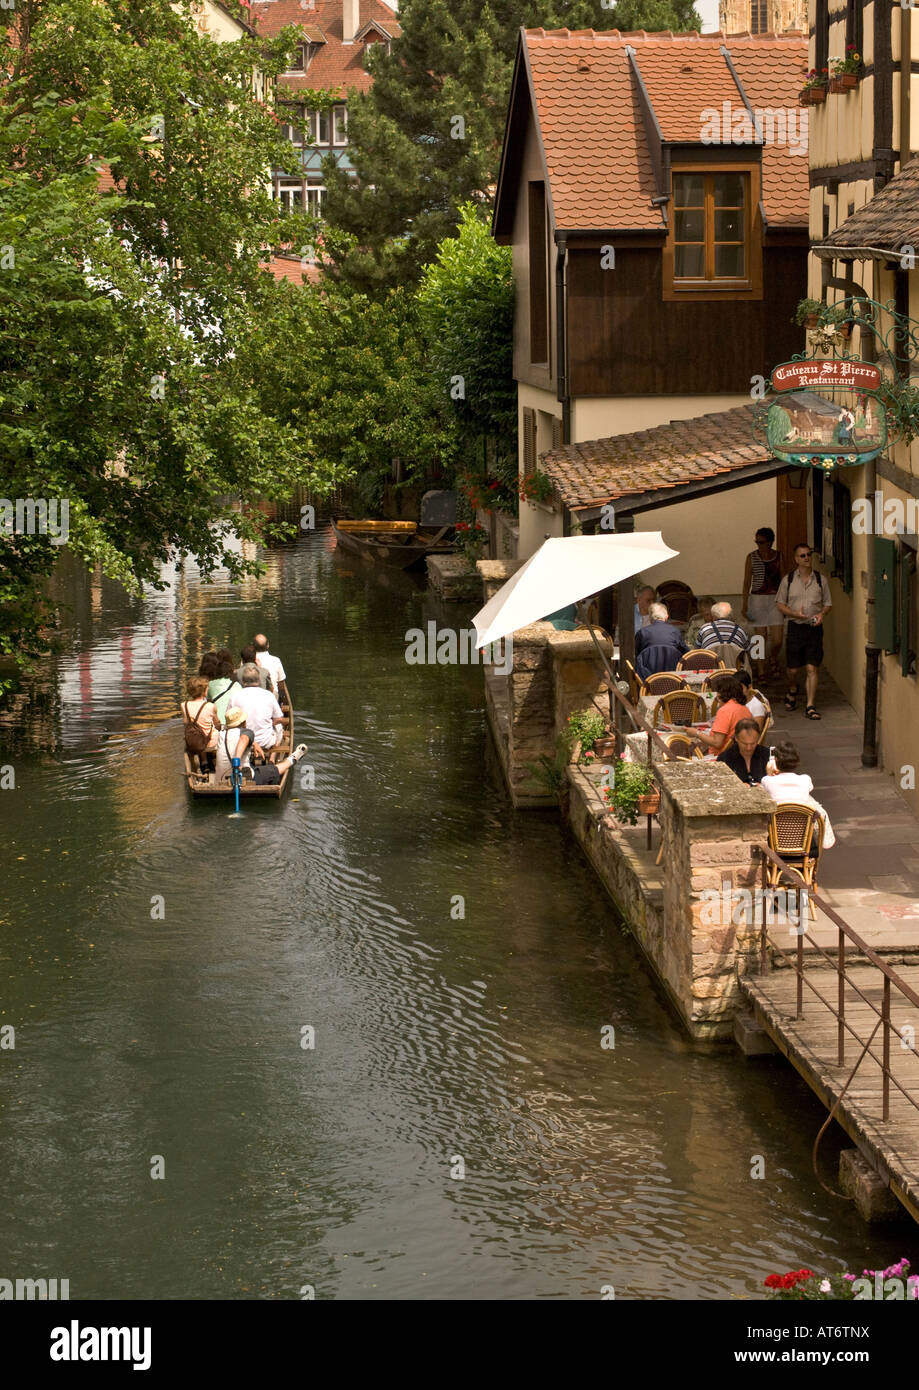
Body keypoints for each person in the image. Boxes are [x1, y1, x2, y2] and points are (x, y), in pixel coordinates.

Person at [776, 543, 832, 720]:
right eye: (803, 556)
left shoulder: (821, 580)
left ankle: (810, 705)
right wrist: (794, 614)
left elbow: (828, 604)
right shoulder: (788, 580)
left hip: (814, 629)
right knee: (793, 670)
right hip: (795, 628)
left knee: (811, 667)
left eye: (808, 555)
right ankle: (792, 688)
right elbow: (779, 604)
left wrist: (822, 614)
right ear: (796, 559)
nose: (807, 558)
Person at [761, 741, 836, 848]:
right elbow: (808, 788)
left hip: (775, 843)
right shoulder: (805, 779)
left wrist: (769, 774)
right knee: (810, 801)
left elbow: (764, 789)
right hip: (802, 843)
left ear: (775, 761)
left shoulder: (767, 781)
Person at [215, 707, 307, 786]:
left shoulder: (220, 734)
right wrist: (237, 760)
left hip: (221, 779)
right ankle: (293, 759)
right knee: (273, 770)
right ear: (243, 722)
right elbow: (244, 739)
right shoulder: (247, 732)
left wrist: (254, 743)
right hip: (242, 778)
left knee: (252, 766)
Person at [742, 527, 784, 679]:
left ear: (770, 542)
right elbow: (747, 581)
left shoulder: (779, 556)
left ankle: (773, 657)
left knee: (778, 639)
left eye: (761, 542)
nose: (758, 545)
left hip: (775, 599)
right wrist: (745, 603)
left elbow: (784, 579)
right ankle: (760, 669)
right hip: (757, 598)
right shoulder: (751, 557)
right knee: (760, 637)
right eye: (757, 542)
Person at [233, 663, 285, 757]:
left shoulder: (235, 696)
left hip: (243, 741)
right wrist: (270, 723)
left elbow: (229, 718)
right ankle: (272, 759)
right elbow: (279, 718)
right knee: (279, 726)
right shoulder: (269, 695)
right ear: (259, 680)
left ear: (243, 681)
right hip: (265, 742)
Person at [693, 674, 749, 755]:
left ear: (722, 694)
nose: (716, 696)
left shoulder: (725, 710)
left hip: (722, 757)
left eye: (718, 693)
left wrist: (696, 733)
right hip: (739, 754)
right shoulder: (744, 708)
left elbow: (717, 743)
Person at [634, 602, 686, 681]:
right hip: (673, 680)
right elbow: (685, 653)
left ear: (651, 619)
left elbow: (636, 655)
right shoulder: (675, 631)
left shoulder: (642, 633)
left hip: (648, 681)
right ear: (667, 617)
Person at [181, 675, 219, 770]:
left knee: (198, 735)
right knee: (213, 733)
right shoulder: (210, 706)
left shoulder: (184, 705)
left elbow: (186, 722)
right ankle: (215, 759)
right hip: (211, 744)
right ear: (204, 692)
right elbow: (217, 723)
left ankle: (204, 762)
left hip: (195, 742)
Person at [717, 717, 769, 784]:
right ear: (736, 738)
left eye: (753, 743)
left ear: (758, 738)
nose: (749, 748)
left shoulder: (768, 755)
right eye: (744, 744)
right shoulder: (725, 758)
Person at [253, 633, 288, 705]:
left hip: (253, 699)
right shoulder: (276, 660)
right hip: (272, 699)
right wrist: (282, 700)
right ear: (268, 645)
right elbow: (281, 684)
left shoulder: (246, 661)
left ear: (253, 647)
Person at [207, 657, 243, 726]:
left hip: (216, 721)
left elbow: (207, 702)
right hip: (232, 720)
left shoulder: (210, 684)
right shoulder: (237, 685)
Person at [736, 668, 769, 733]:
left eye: (741, 688)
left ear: (749, 687)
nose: (737, 692)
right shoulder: (735, 701)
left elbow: (756, 732)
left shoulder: (757, 706)